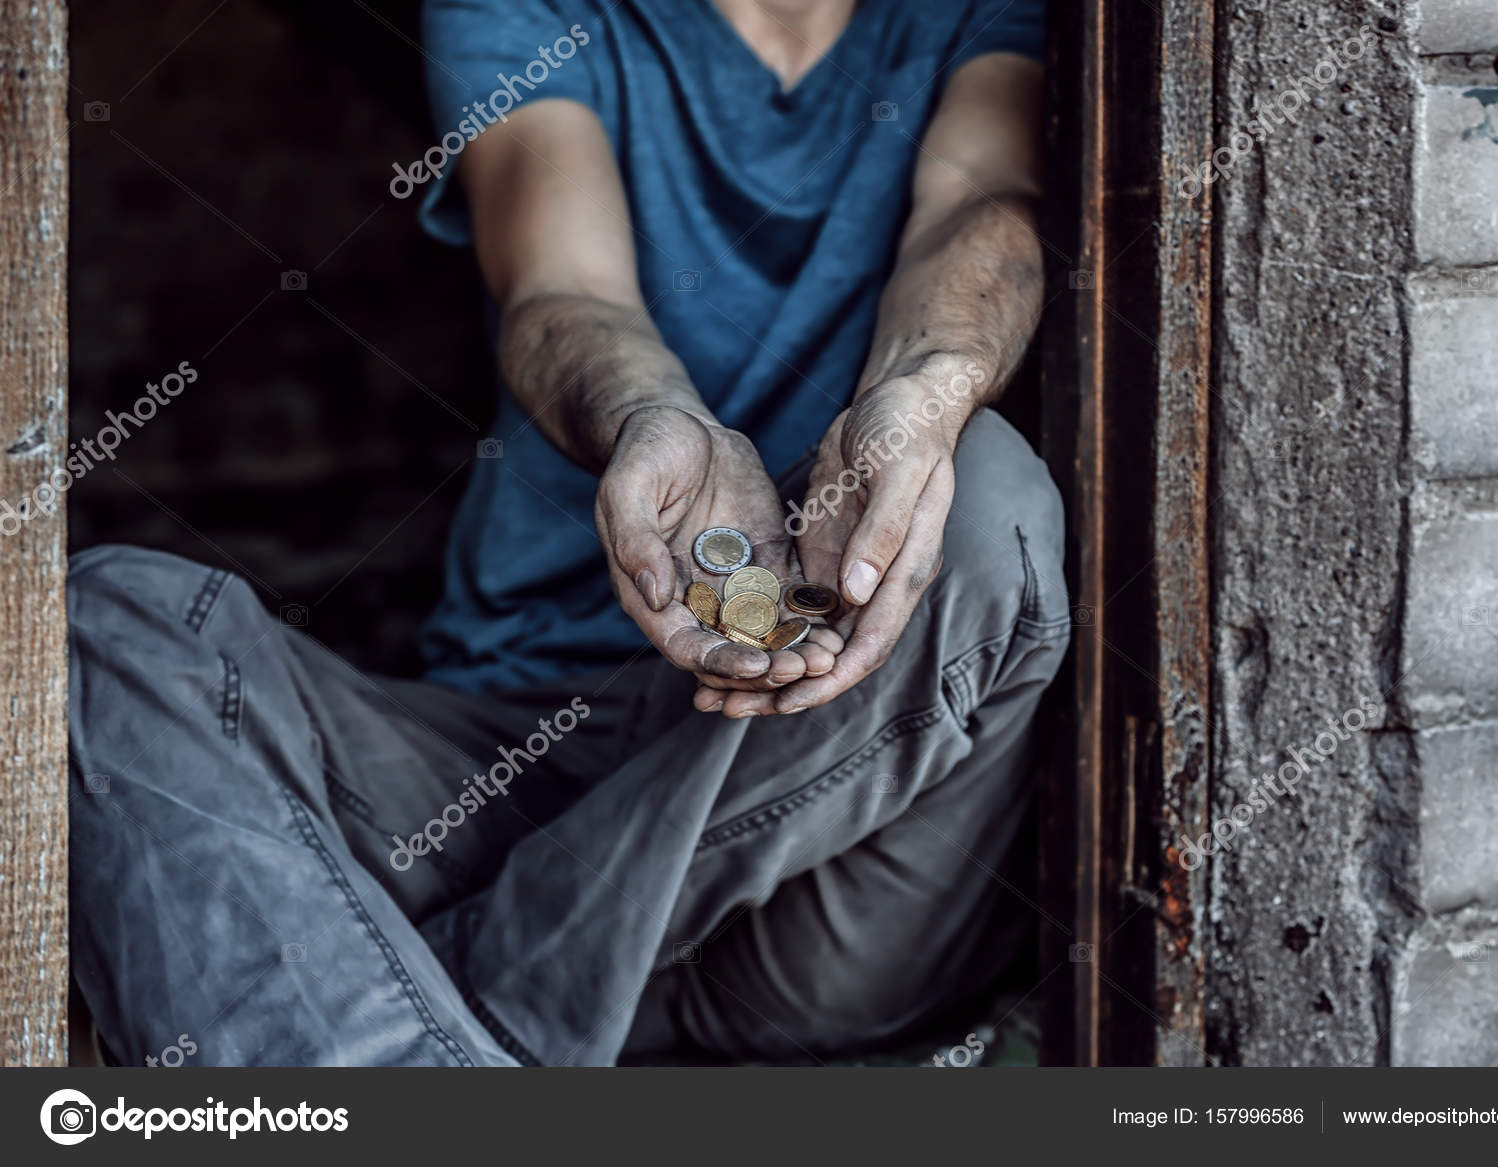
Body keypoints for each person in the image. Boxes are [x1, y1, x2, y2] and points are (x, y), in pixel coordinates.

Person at [68, 0, 1069, 1066]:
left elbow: (980, 201)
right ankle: (466, 1023)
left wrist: (925, 392)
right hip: (504, 769)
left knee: (986, 495)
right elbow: (563, 284)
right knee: (103, 627)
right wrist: (651, 415)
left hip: (826, 857)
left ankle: (431, 995)